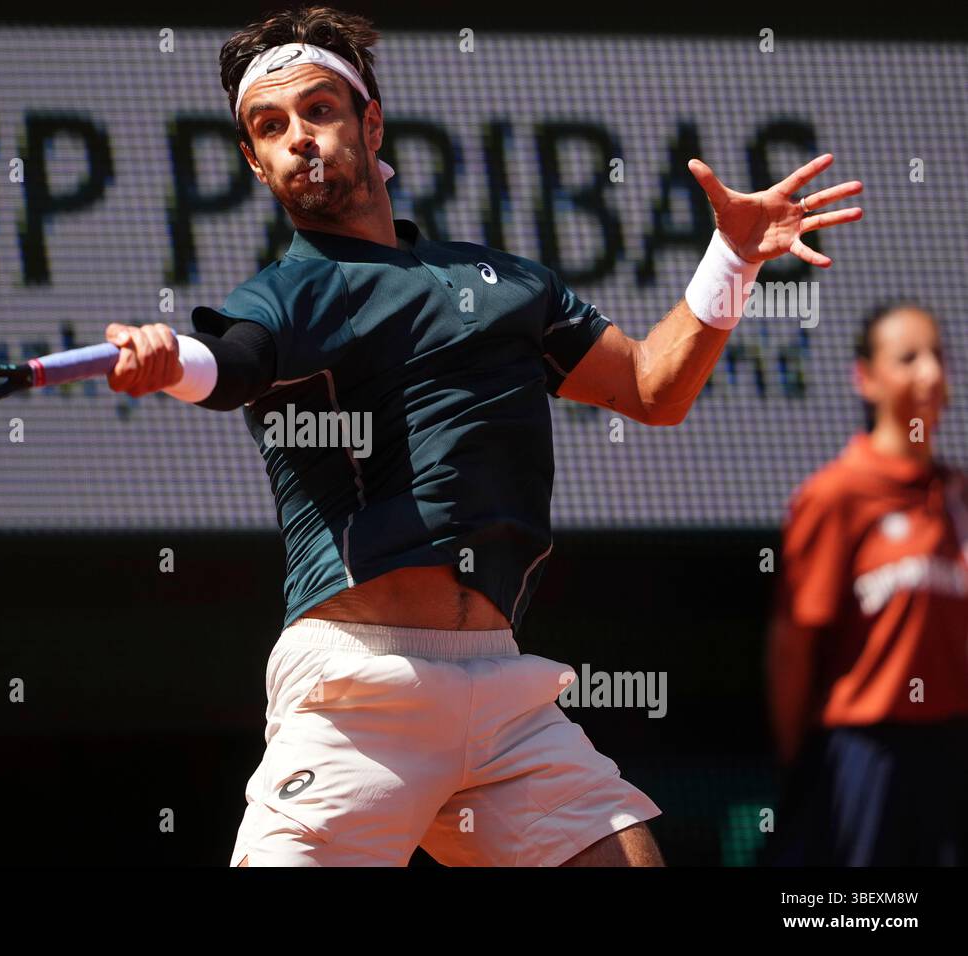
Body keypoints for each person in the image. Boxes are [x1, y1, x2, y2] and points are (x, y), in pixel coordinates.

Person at [104, 6, 863, 865]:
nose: (298, 140)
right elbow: (231, 362)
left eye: (318, 111)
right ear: (252, 158)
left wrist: (733, 259)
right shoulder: (289, 293)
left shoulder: (506, 284)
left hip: (503, 690)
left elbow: (653, 388)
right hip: (357, 690)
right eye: (269, 128)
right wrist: (171, 363)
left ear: (371, 120)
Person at [766, 302, 968, 865]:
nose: (930, 373)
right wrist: (801, 763)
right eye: (908, 358)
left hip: (952, 754)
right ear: (866, 378)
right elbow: (793, 647)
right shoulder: (836, 496)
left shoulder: (957, 497)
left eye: (938, 356)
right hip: (865, 756)